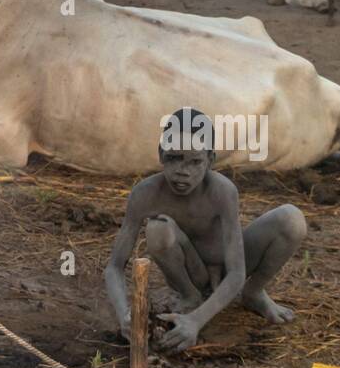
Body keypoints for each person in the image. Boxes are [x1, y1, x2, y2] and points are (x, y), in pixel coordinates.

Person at [104, 107, 307, 353]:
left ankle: (253, 293)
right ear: (160, 154)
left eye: (195, 162)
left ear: (210, 160)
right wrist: (125, 314)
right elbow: (115, 266)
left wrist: (195, 322)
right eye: (174, 158)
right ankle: (190, 297)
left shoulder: (223, 191)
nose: (183, 171)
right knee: (157, 229)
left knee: (291, 218)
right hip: (190, 276)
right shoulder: (145, 194)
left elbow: (236, 272)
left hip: (225, 271)